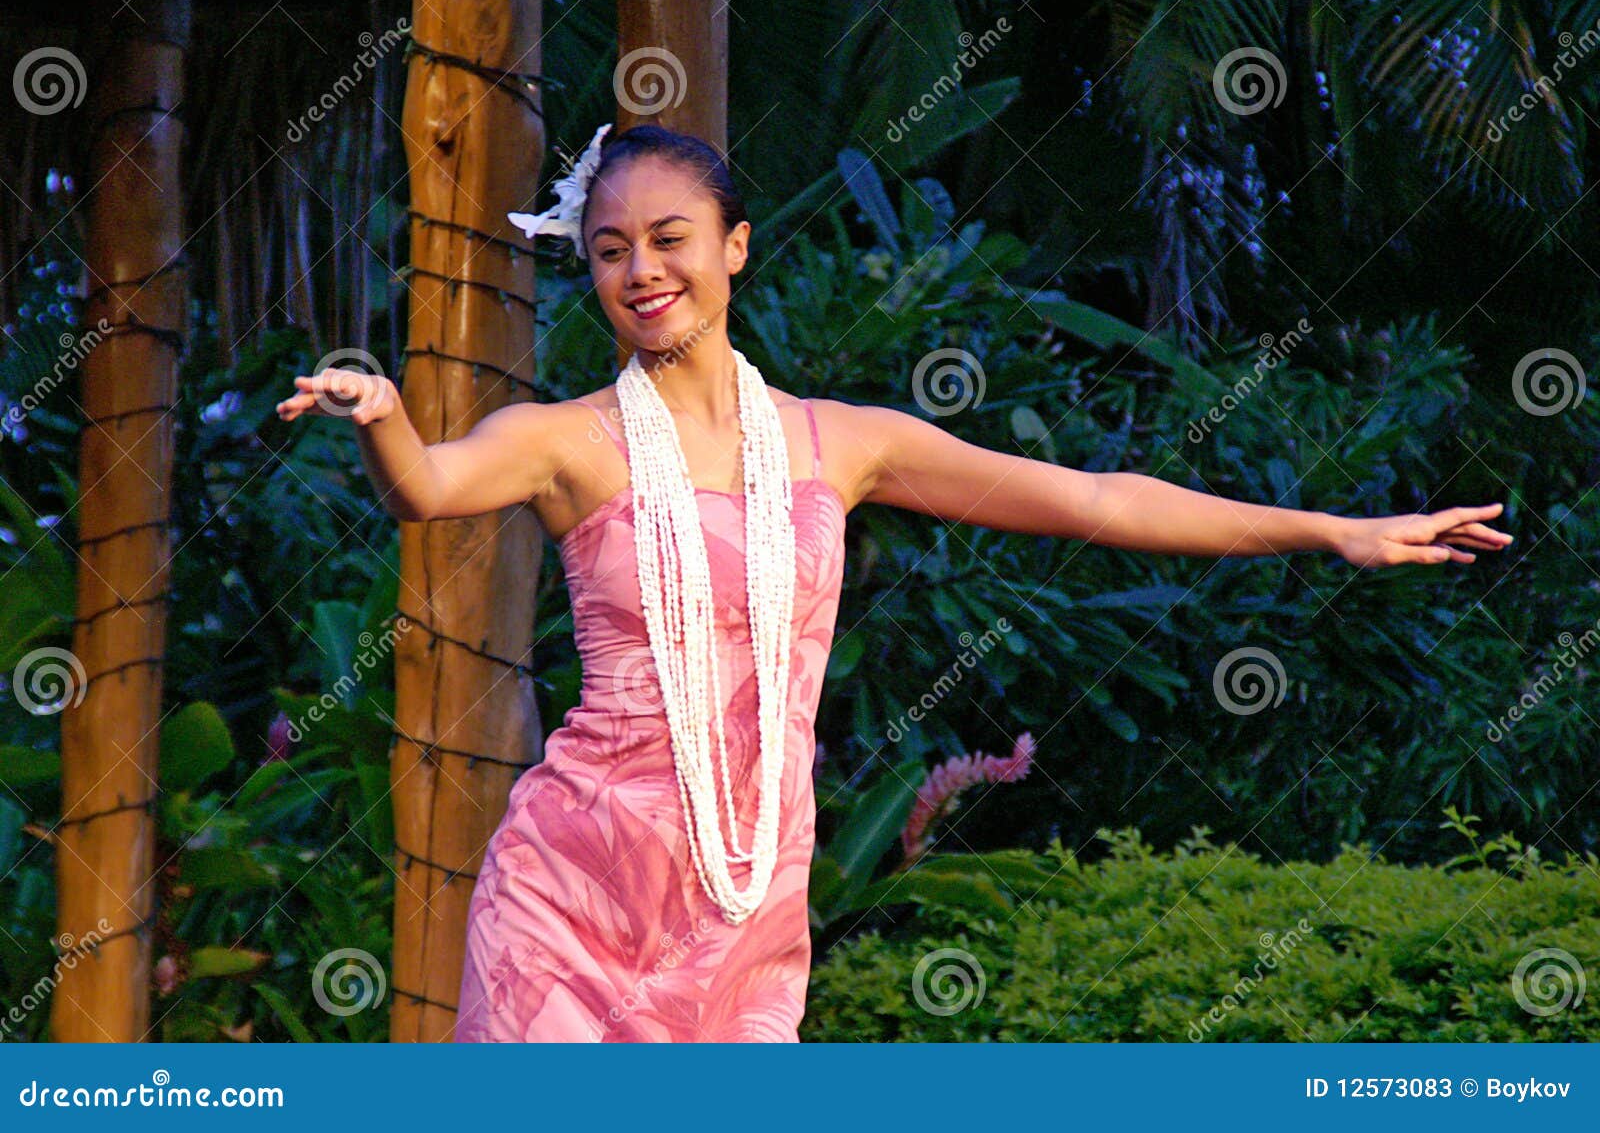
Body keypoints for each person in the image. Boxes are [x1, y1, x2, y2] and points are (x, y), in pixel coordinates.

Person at [274, 122, 1514, 1042]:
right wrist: (380, 415)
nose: (640, 270)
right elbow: (428, 489)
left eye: (668, 239)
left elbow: (1089, 499)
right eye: (608, 251)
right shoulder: (567, 439)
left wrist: (1329, 527)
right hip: (573, 890)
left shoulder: (837, 443)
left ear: (734, 247)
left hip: (750, 901)